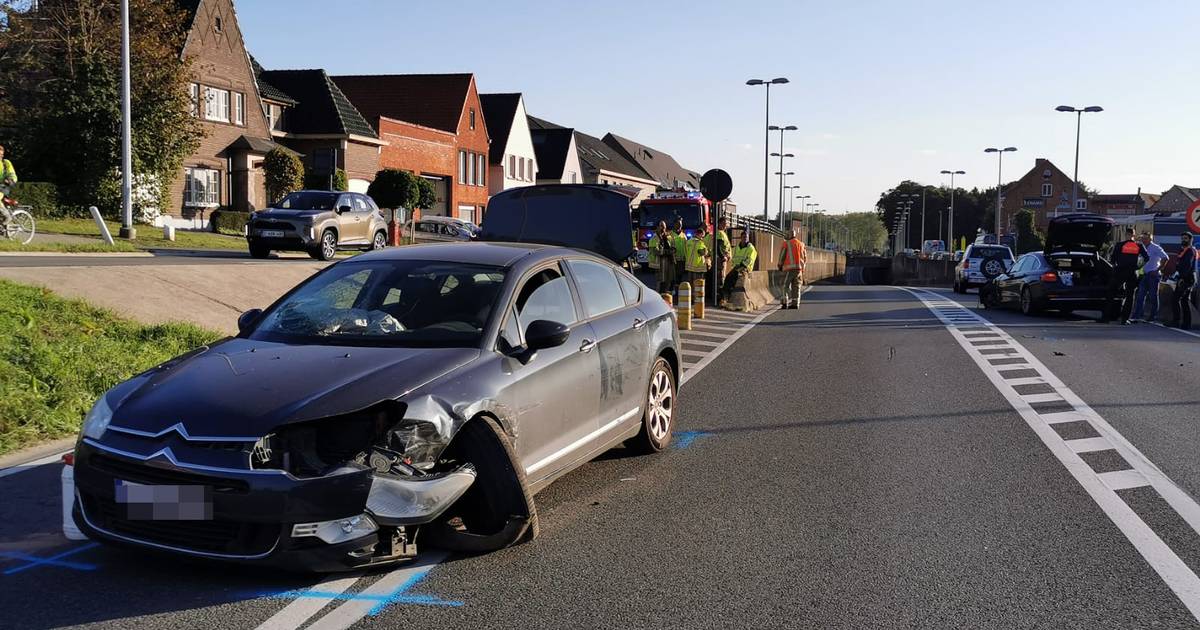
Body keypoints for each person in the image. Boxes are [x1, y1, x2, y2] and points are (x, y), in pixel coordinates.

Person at [1102, 227, 1147, 324]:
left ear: (1126, 234)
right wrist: (1138, 267)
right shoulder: (1139, 246)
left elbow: (1112, 260)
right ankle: (1124, 319)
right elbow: (1146, 258)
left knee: (1111, 295)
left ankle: (1106, 318)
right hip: (1132, 273)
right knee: (1130, 296)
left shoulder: (1119, 245)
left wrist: (1115, 268)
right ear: (1133, 235)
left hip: (1119, 272)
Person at [1131, 231, 1169, 323]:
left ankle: (1153, 316)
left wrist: (1157, 270)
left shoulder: (1155, 248)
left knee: (1153, 296)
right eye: (1142, 238)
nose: (1143, 239)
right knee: (1140, 296)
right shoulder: (1142, 248)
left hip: (1153, 275)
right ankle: (1137, 315)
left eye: (1145, 238)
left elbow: (1165, 257)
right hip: (1144, 274)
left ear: (1150, 239)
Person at [721, 229, 757, 305]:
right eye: (744, 237)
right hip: (736, 268)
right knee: (728, 278)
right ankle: (725, 297)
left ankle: (727, 297)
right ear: (741, 238)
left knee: (733, 278)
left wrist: (740, 266)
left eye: (746, 237)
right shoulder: (737, 247)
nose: (745, 239)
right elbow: (732, 256)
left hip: (745, 268)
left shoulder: (751, 248)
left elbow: (749, 260)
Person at [1171, 232, 1196, 330]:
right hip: (1185, 277)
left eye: (1185, 239)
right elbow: (1179, 264)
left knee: (1176, 299)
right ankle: (1186, 324)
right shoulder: (1183, 250)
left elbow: (1187, 265)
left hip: (1186, 278)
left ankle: (1177, 322)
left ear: (1190, 240)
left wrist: (1181, 278)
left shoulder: (1190, 251)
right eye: (1182, 238)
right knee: (1184, 300)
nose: (1183, 240)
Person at [777, 226, 807, 309]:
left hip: (788, 269)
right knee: (796, 286)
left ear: (789, 235)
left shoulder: (786, 243)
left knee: (784, 285)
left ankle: (784, 302)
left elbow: (782, 255)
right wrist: (803, 268)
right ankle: (795, 303)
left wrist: (779, 265)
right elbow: (805, 258)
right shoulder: (801, 244)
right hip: (799, 269)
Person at [682, 221, 711, 291]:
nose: (702, 237)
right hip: (698, 267)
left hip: (689, 266)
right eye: (702, 236)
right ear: (700, 234)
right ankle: (696, 298)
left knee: (690, 284)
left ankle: (690, 297)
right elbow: (702, 253)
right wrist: (707, 252)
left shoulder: (689, 241)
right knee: (697, 285)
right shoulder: (700, 243)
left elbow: (685, 252)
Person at [649, 220, 676, 295]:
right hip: (659, 262)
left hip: (669, 261)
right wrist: (666, 252)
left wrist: (673, 250)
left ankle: (667, 296)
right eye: (661, 226)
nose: (663, 228)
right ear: (657, 227)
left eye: (664, 227)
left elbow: (673, 247)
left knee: (669, 279)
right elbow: (655, 251)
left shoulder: (669, 236)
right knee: (661, 280)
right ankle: (659, 295)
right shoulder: (654, 238)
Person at [671, 218, 688, 293]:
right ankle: (672, 290)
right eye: (678, 223)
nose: (680, 225)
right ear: (674, 224)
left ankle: (678, 291)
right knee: (673, 276)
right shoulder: (670, 235)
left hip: (682, 260)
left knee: (680, 276)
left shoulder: (684, 235)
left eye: (681, 224)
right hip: (673, 260)